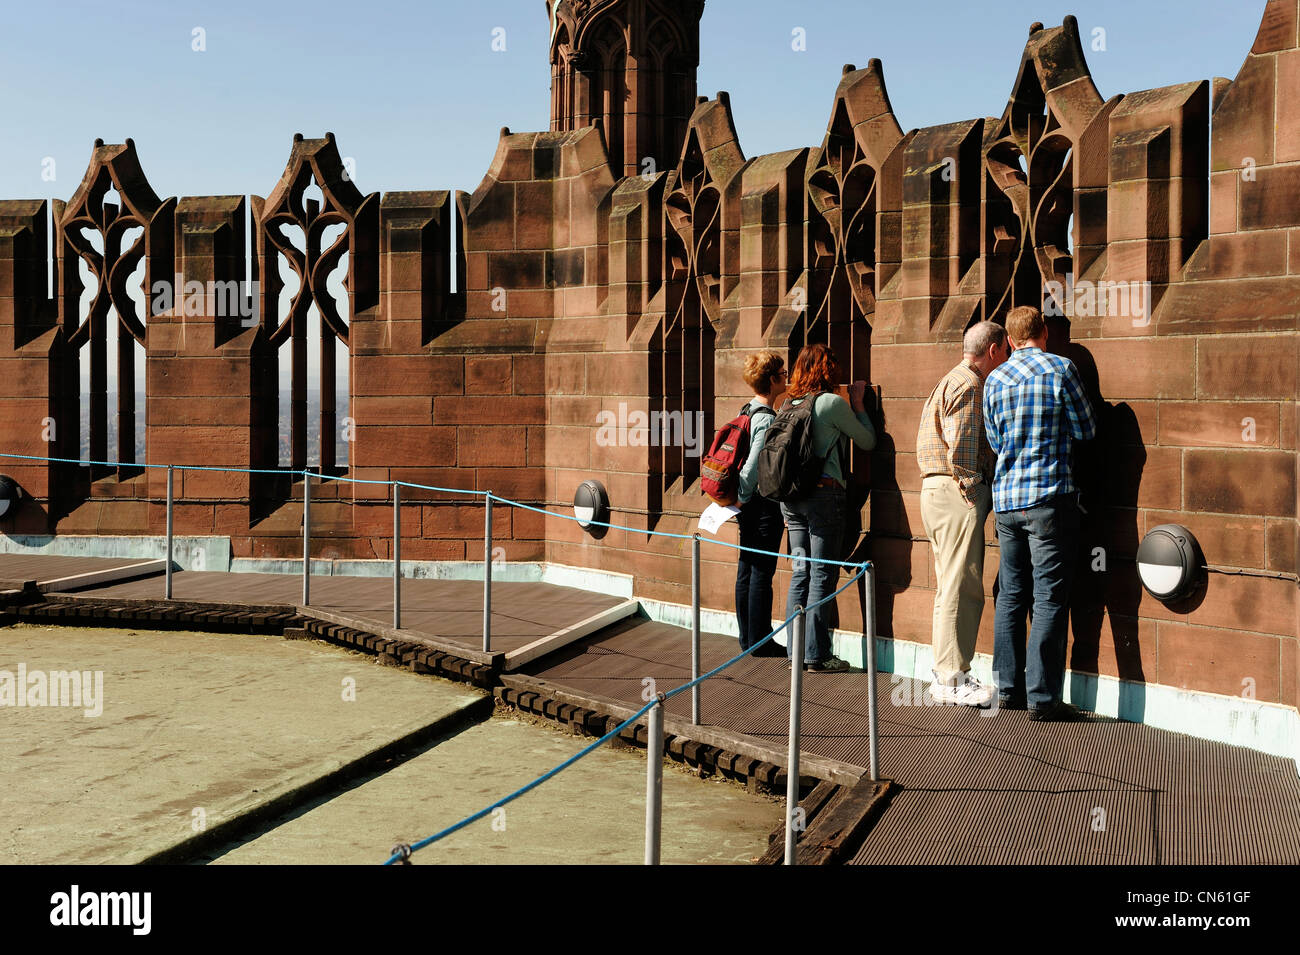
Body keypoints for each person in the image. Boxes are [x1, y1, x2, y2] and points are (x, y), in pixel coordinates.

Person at [983, 305, 1097, 720]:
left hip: (1007, 501)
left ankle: (1008, 689)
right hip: (1049, 497)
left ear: (1010, 341)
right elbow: (1086, 429)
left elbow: (995, 441)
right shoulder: (1061, 369)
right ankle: (1043, 699)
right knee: (1049, 596)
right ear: (1043, 332)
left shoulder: (995, 378)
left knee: (1011, 596)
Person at [917, 321, 1009, 707]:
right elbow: (963, 449)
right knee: (963, 585)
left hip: (936, 489)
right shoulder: (971, 385)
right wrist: (974, 494)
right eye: (1006, 350)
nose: (1008, 358)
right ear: (992, 350)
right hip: (956, 493)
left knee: (950, 584)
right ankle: (953, 679)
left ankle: (947, 674)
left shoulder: (950, 379)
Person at [780, 343, 876, 672]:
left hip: (791, 501)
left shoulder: (787, 404)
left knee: (800, 573)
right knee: (822, 575)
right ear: (828, 370)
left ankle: (795, 653)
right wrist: (860, 402)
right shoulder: (831, 403)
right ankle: (816, 655)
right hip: (823, 495)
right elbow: (867, 441)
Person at [734, 351, 787, 657]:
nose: (786, 378)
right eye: (782, 373)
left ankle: (747, 637)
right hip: (760, 505)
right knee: (761, 572)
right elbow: (753, 466)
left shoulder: (748, 409)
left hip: (747, 506)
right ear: (772, 380)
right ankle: (760, 641)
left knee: (747, 567)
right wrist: (742, 497)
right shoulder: (766, 417)